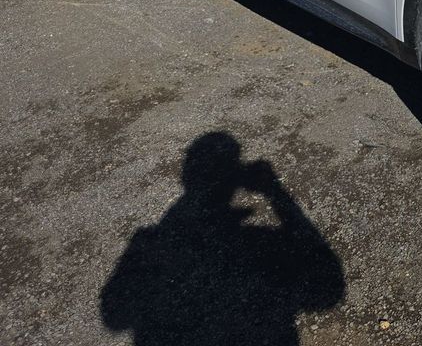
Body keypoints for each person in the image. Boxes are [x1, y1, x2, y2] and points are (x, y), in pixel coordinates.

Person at [100, 132, 344, 345]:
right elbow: (328, 290)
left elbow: (115, 315)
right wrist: (274, 192)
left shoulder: (152, 239)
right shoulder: (155, 239)